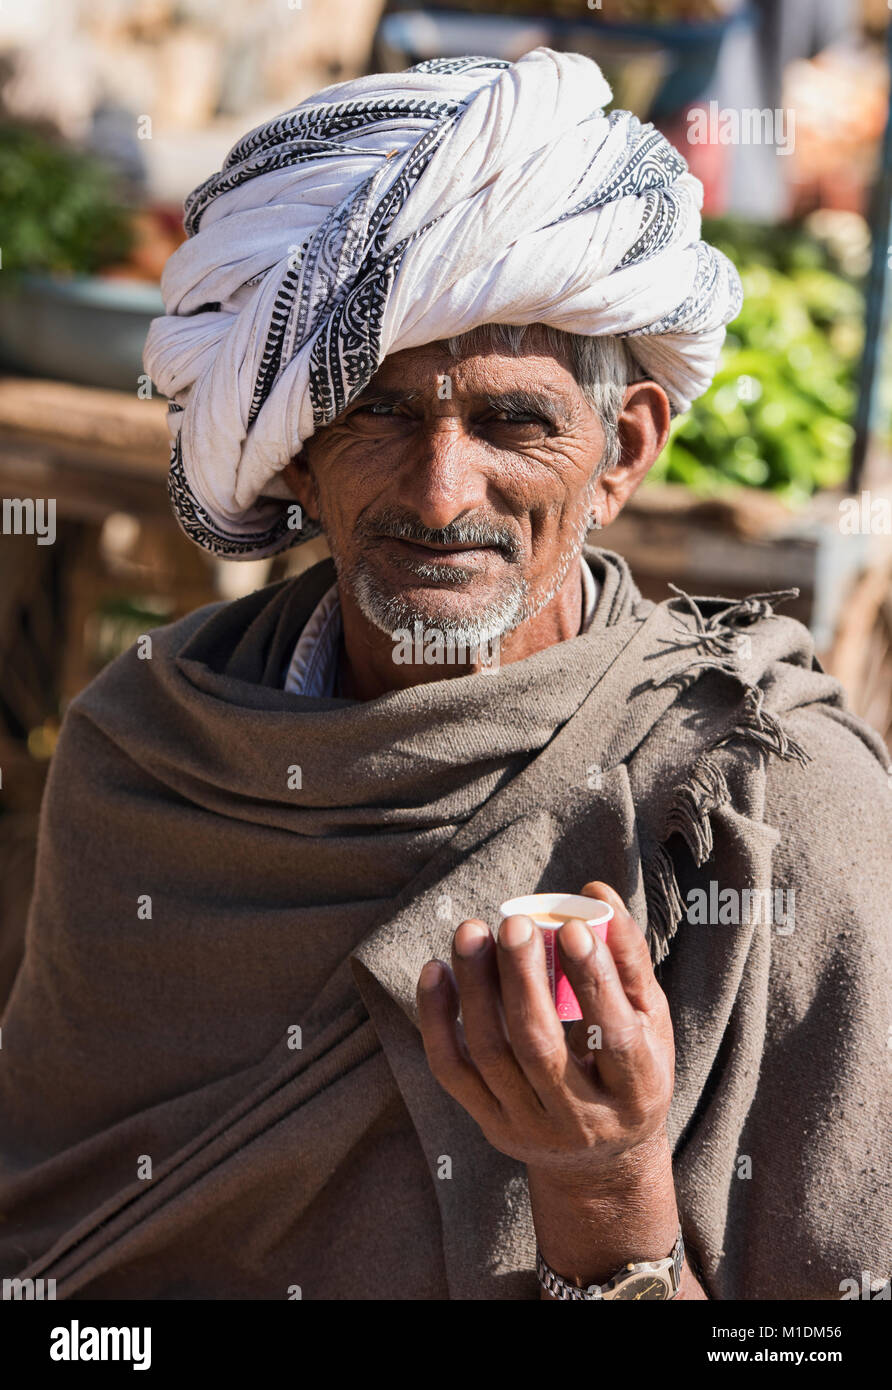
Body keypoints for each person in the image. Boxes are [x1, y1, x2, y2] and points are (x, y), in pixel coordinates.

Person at [0, 49, 888, 1302]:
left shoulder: (770, 810)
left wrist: (607, 1190)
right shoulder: (147, 753)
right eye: (376, 412)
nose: (438, 492)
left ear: (622, 450)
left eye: (515, 422)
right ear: (294, 452)